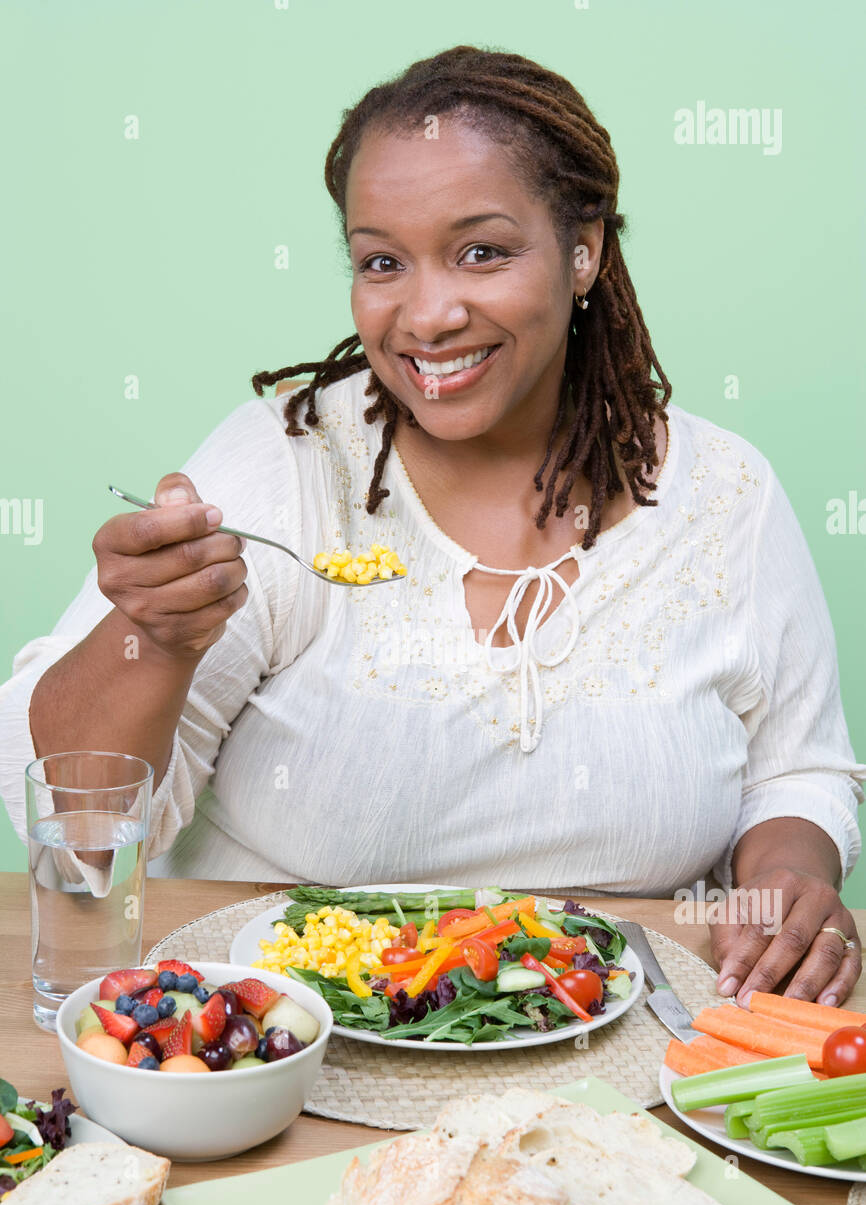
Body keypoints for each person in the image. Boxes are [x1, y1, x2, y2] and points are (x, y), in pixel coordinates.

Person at [1, 46, 863, 1006]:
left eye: (481, 252)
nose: (428, 315)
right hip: (284, 1038)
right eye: (382, 262)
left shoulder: (726, 494)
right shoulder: (288, 469)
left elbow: (797, 770)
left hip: (624, 1037)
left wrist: (791, 880)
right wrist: (153, 638)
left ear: (585, 249)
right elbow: (75, 832)